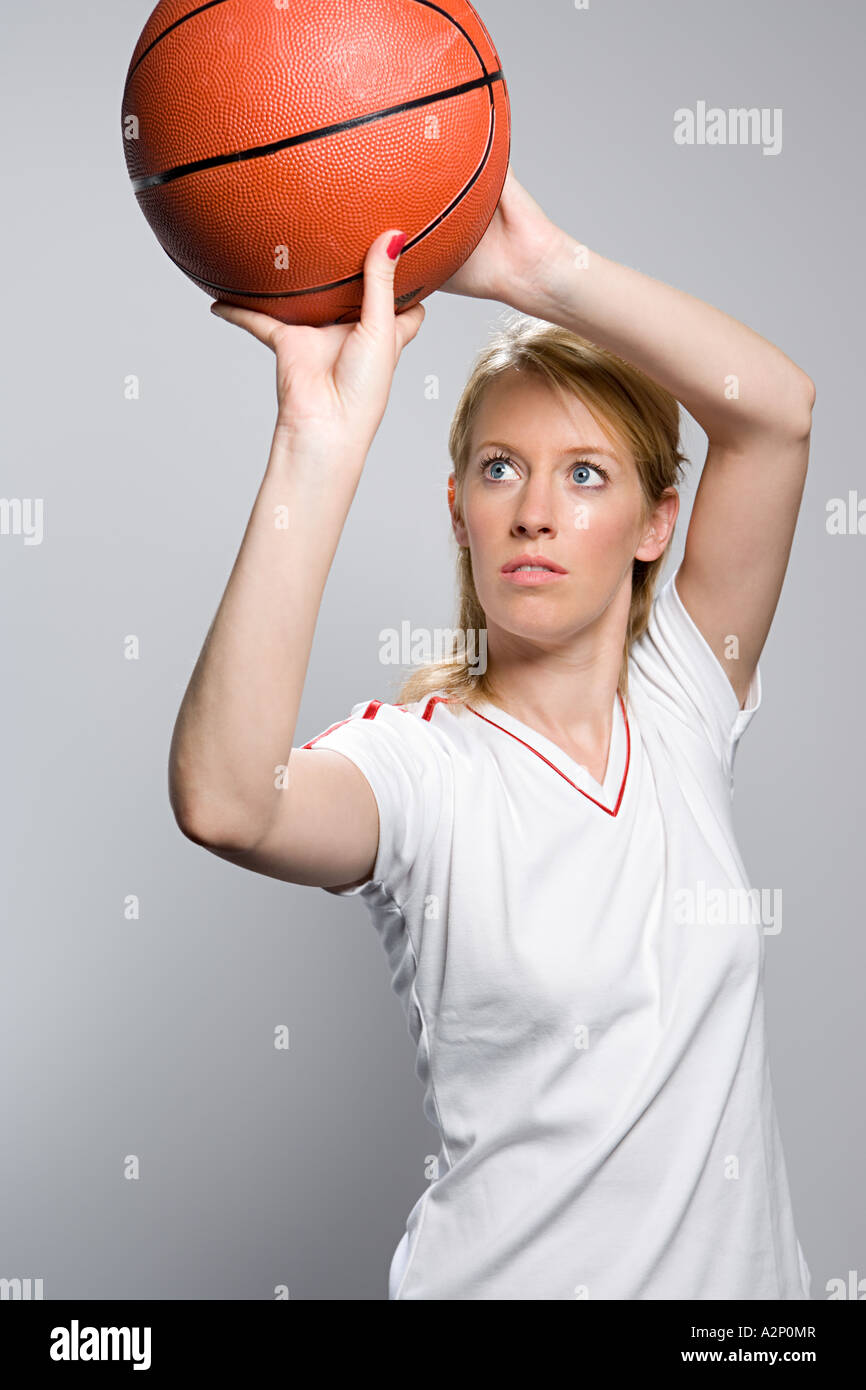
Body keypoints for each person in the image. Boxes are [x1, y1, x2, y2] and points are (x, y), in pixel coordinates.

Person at [168, 168, 816, 1300]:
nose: (533, 510)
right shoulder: (420, 766)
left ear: (655, 522)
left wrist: (541, 274)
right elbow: (227, 802)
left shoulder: (679, 698)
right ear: (458, 505)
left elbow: (773, 412)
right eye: (500, 469)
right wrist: (315, 441)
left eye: (585, 475)